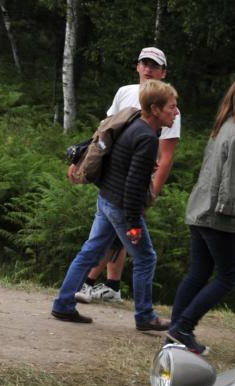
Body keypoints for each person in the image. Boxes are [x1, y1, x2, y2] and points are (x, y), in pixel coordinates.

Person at [50, 80, 178, 330]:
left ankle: (63, 305)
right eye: (171, 107)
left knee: (90, 251)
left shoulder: (133, 124)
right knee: (146, 258)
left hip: (106, 198)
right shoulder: (147, 138)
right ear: (154, 109)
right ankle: (145, 316)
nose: (176, 112)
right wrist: (133, 225)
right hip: (120, 206)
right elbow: (134, 185)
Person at [165, 75, 235, 355]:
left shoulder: (225, 127)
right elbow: (230, 188)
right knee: (229, 276)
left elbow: (225, 180)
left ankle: (176, 331)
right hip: (217, 217)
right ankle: (183, 328)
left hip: (200, 210)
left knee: (199, 272)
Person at [76, 47, 182, 305]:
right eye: (144, 64)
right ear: (137, 66)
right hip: (113, 175)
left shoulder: (169, 106)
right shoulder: (124, 92)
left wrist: (151, 194)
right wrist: (82, 160)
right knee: (114, 232)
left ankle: (90, 284)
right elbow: (104, 131)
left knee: (115, 233)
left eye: (154, 66)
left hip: (137, 179)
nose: (148, 69)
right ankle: (110, 285)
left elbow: (166, 156)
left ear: (163, 72)